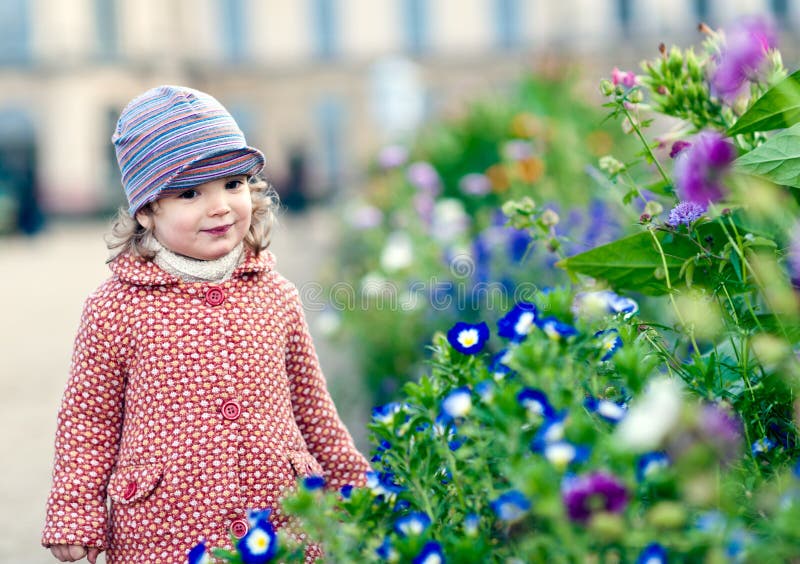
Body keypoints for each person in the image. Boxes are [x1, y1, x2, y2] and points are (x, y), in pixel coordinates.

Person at [41, 85, 371, 563]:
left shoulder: (276, 294)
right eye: (191, 192)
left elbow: (313, 407)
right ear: (148, 211)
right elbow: (88, 419)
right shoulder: (116, 308)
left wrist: (353, 486)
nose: (220, 206)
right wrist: (75, 509)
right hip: (165, 531)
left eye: (232, 184)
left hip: (280, 520)